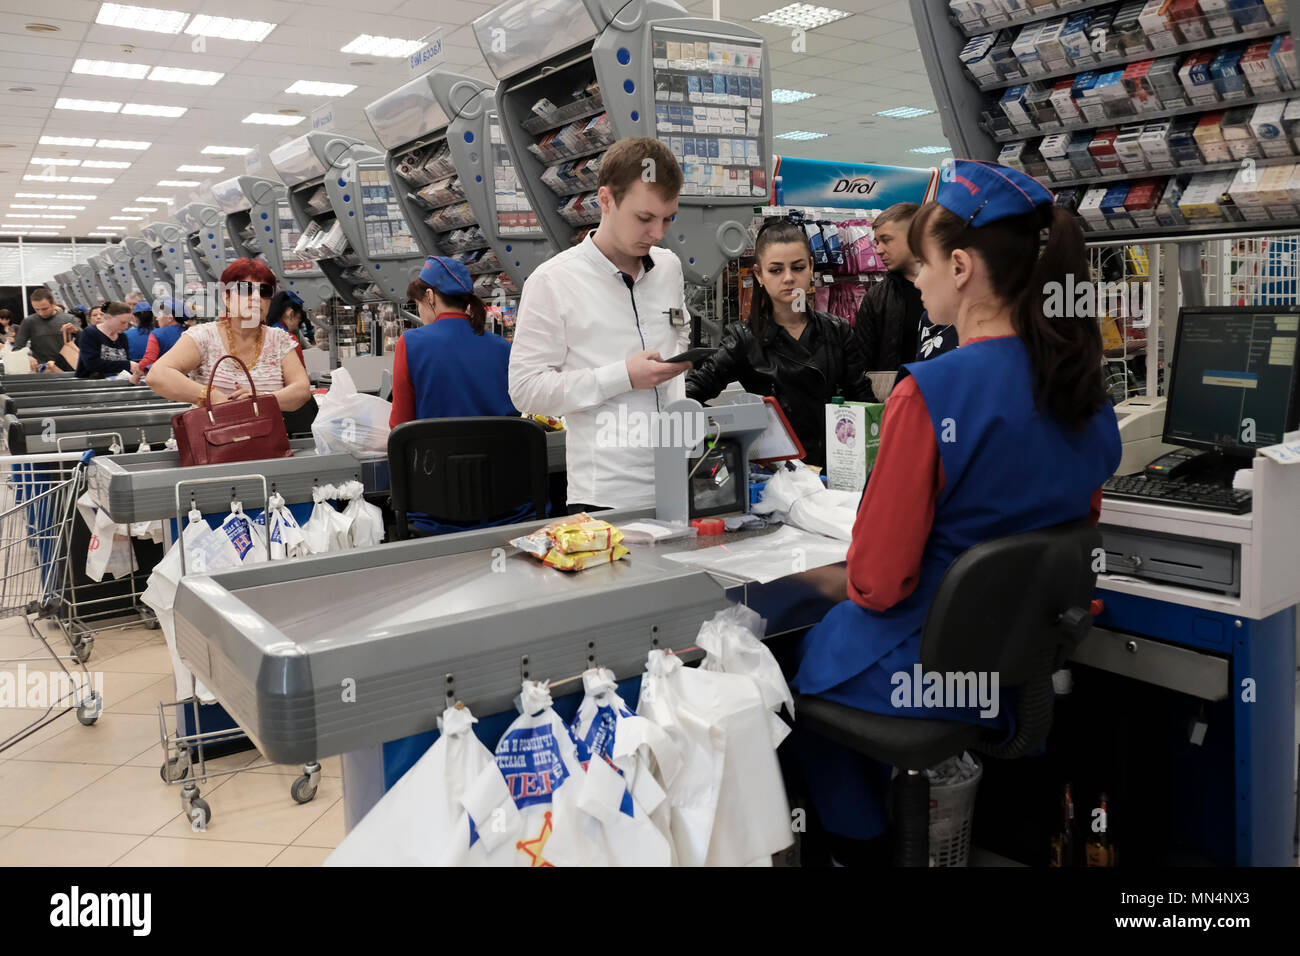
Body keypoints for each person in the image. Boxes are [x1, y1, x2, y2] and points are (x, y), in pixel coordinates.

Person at [787, 161, 1122, 865]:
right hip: (1008, 670)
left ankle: (861, 848)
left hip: (919, 662)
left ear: (963, 267)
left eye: (925, 262)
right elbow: (1069, 535)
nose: (917, 277)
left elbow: (877, 584)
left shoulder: (930, 394)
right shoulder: (1083, 388)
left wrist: (817, 581)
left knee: (786, 679)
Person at [509, 137, 692, 513]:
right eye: (644, 218)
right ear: (605, 200)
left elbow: (678, 334)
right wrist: (623, 376)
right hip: (605, 498)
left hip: (684, 480)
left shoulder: (669, 267)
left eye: (668, 218)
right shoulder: (552, 281)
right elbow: (525, 391)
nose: (657, 232)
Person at [686, 220, 873, 469]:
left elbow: (864, 404)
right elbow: (690, 396)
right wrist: (735, 436)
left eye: (797, 267)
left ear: (811, 268)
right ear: (759, 275)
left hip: (833, 471)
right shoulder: (743, 338)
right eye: (776, 270)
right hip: (772, 477)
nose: (788, 278)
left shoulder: (837, 331)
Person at [145, 258, 310, 413]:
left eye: (264, 291)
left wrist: (265, 399)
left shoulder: (280, 340)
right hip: (213, 439)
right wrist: (211, 396)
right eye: (246, 289)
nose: (256, 297)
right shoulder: (204, 336)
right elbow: (158, 375)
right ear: (227, 298)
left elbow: (302, 390)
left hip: (267, 439)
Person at [391, 256, 517, 428]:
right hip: (498, 453)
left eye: (418, 303)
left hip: (434, 453)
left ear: (430, 296)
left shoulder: (409, 343)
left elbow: (400, 423)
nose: (420, 311)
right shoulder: (502, 346)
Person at [853, 203, 929, 372]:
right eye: (877, 242)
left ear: (915, 236)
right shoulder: (876, 298)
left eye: (886, 240)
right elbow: (862, 363)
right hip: (894, 396)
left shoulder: (951, 289)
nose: (878, 250)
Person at [14, 288, 79, 366]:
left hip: (68, 366)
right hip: (42, 368)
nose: (41, 313)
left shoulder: (69, 319)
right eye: (37, 309)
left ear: (53, 303)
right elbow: (17, 348)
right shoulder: (29, 321)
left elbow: (85, 341)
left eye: (45, 309)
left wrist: (76, 331)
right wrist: (26, 357)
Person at [75, 301, 139, 378]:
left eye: (128, 323)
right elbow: (92, 364)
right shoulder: (90, 333)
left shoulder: (122, 337)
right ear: (109, 318)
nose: (126, 327)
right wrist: (127, 365)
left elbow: (125, 360)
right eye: (122, 322)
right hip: (91, 384)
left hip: (117, 382)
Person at [135, 297, 189, 378]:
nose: (157, 318)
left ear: (170, 318)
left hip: (168, 379)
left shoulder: (157, 334)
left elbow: (149, 359)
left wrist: (137, 370)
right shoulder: (190, 332)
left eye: (159, 314)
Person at [265, 290, 309, 366]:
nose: (297, 328)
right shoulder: (289, 342)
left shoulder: (259, 336)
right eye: (299, 320)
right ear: (291, 314)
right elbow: (299, 376)